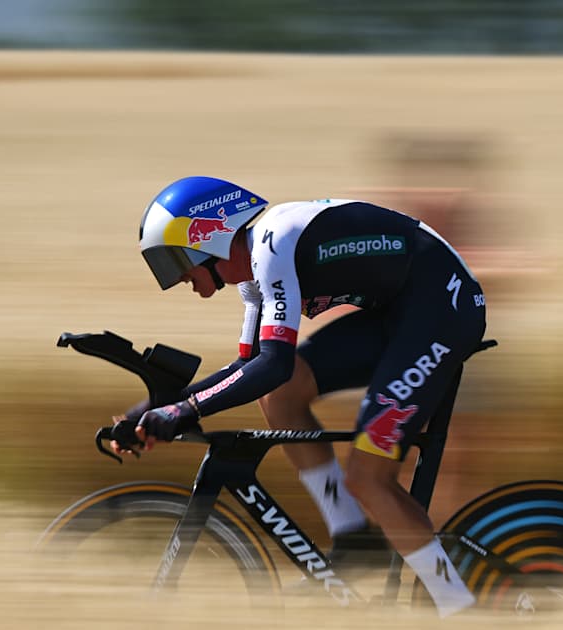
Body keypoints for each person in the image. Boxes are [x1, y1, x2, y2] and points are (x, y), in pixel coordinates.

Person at [111, 176, 486, 617]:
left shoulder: (273, 242)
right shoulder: (254, 275)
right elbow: (251, 369)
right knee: (280, 394)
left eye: (175, 262)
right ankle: (353, 538)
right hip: (402, 313)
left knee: (369, 476)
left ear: (206, 238)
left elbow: (273, 363)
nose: (178, 279)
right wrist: (154, 410)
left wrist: (185, 410)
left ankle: (459, 608)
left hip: (442, 310)